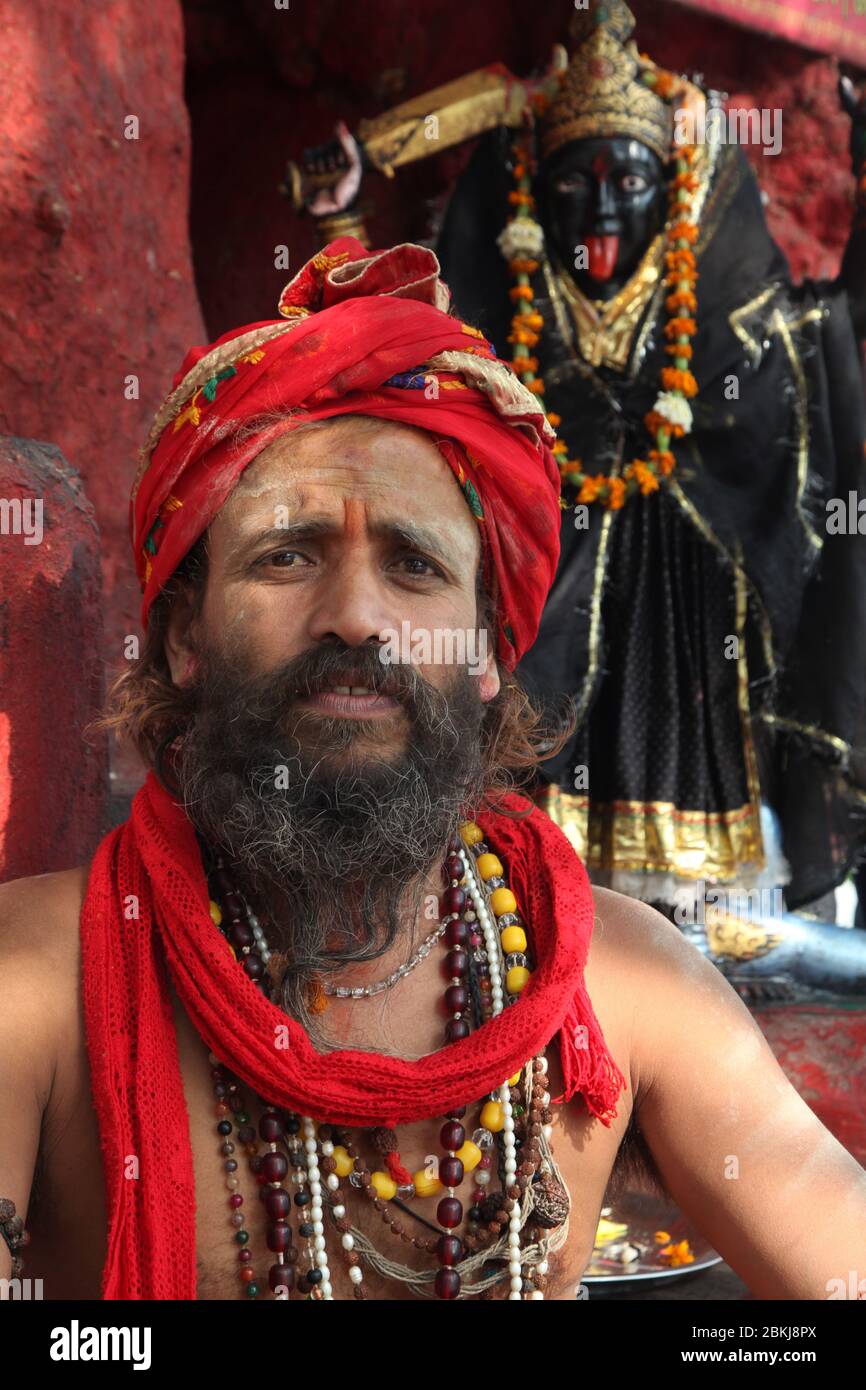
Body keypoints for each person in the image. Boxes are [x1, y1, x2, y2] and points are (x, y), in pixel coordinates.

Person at [1, 239, 865, 1302]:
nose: (355, 619)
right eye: (287, 555)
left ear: (491, 651)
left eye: (412, 565)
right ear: (184, 635)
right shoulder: (37, 989)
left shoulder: (617, 988)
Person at [292, 0, 866, 919]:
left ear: (673, 192)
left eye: (628, 182)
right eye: (574, 186)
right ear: (530, 196)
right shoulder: (496, 314)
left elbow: (813, 360)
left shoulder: (723, 319)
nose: (600, 208)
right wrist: (339, 218)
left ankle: (688, 920)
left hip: (685, 623)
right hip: (541, 599)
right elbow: (382, 368)